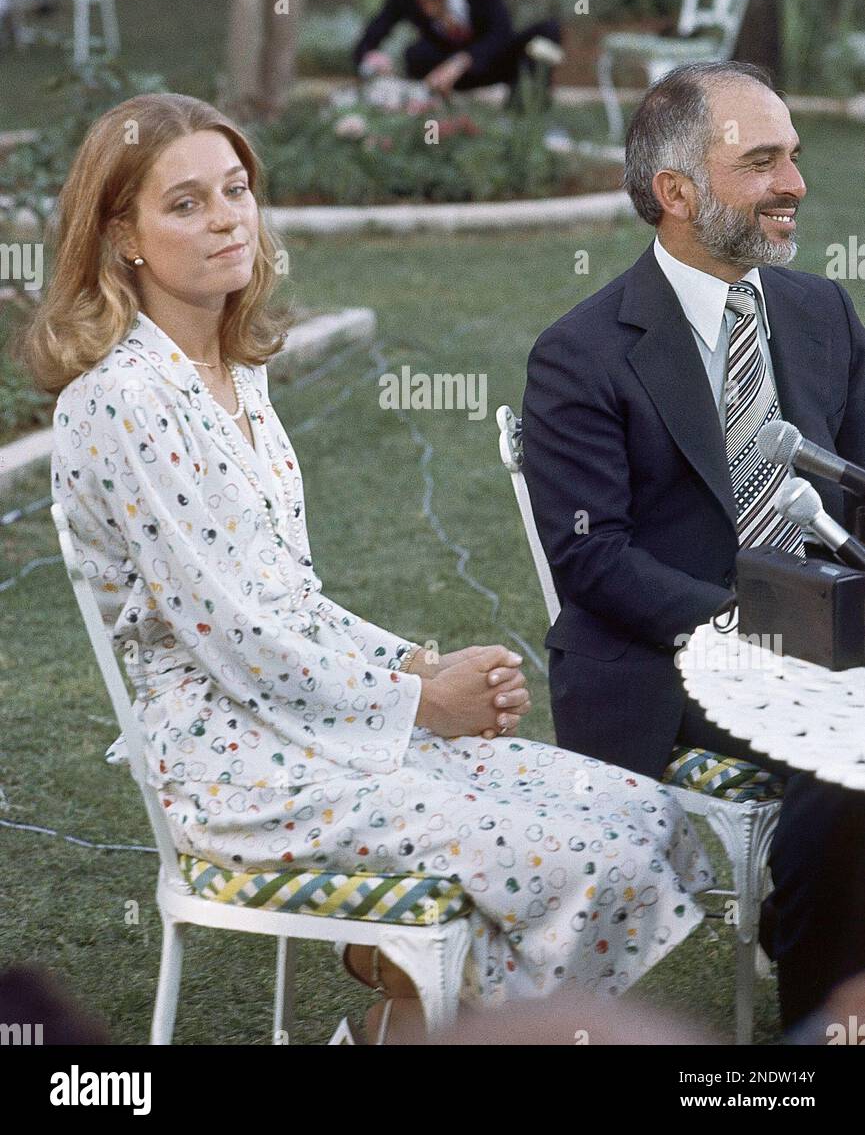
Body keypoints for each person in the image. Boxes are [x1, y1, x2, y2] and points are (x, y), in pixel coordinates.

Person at [31, 92, 712, 1042]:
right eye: (185, 204)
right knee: (590, 860)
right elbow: (236, 635)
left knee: (646, 819)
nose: (227, 217)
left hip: (319, 724)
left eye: (236, 191)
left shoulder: (235, 376)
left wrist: (412, 668)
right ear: (121, 237)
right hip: (239, 769)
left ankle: (398, 1013)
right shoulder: (119, 404)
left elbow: (288, 600)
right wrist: (421, 704)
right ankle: (409, 1015)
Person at [522, 59, 865, 1030]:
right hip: (669, 665)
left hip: (833, 638)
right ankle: (821, 1008)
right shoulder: (581, 352)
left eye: (792, 156)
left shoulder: (819, 312)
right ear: (675, 192)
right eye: (761, 162)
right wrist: (764, 630)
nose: (794, 183)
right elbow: (594, 561)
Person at [353, 0, 563, 104]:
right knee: (416, 54)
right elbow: (370, 37)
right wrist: (372, 59)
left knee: (546, 33)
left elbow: (501, 33)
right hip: (439, 71)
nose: (431, 3)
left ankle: (525, 106)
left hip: (487, 62)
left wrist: (463, 61)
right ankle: (428, 102)